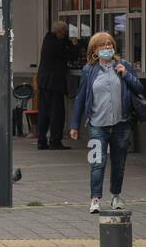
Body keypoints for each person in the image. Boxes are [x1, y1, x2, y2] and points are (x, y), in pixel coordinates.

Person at [70, 31, 142, 214]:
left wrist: (126, 75)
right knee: (97, 163)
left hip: (121, 124)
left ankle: (116, 196)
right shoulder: (89, 70)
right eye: (103, 46)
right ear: (94, 50)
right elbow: (80, 98)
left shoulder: (122, 65)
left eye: (109, 45)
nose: (107, 49)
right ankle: (95, 199)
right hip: (97, 125)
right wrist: (74, 125)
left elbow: (139, 88)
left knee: (119, 163)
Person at [36, 20, 76, 150]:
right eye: (64, 32)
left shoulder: (47, 40)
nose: (65, 35)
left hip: (43, 82)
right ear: (60, 32)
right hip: (54, 83)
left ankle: (41, 140)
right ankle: (55, 141)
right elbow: (72, 55)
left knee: (43, 112)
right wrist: (74, 44)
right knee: (56, 113)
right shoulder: (57, 43)